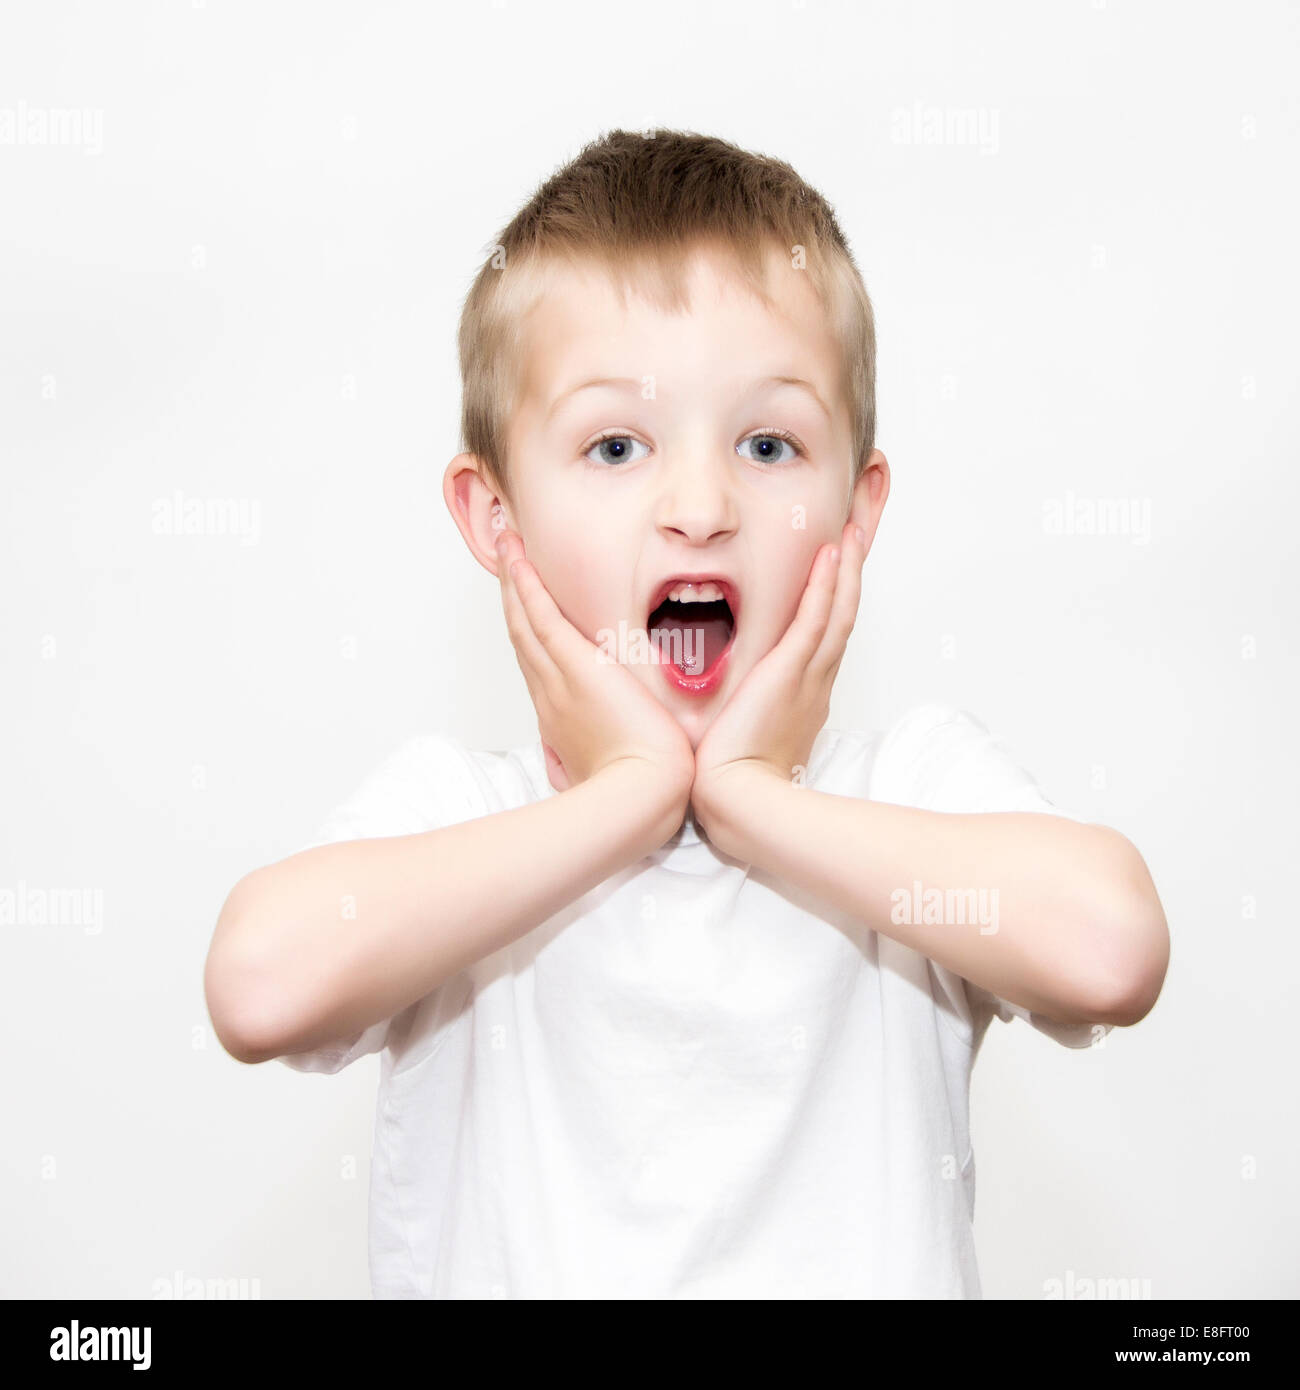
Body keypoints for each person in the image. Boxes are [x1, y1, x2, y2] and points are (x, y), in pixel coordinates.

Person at [203, 128, 1169, 1299]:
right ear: (496, 519)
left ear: (854, 517)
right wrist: (628, 796)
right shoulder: (462, 813)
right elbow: (257, 986)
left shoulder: (906, 788)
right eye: (616, 445)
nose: (701, 505)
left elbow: (1111, 949)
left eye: (768, 443)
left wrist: (752, 801)